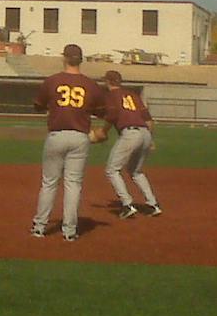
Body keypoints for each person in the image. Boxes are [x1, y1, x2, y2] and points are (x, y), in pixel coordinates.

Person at [31, 43, 106, 242]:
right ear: (81, 60)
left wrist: (52, 106)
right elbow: (102, 111)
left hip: (57, 135)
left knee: (49, 183)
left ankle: (39, 227)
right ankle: (69, 231)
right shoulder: (91, 84)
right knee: (73, 185)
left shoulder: (52, 81)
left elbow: (37, 105)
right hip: (80, 137)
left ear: (64, 58)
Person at [101, 70, 161, 218]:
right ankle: (153, 204)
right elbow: (148, 119)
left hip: (130, 133)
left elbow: (112, 115)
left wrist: (104, 131)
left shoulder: (110, 96)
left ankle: (127, 205)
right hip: (145, 133)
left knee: (112, 170)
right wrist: (150, 139)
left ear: (108, 82)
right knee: (136, 171)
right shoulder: (133, 95)